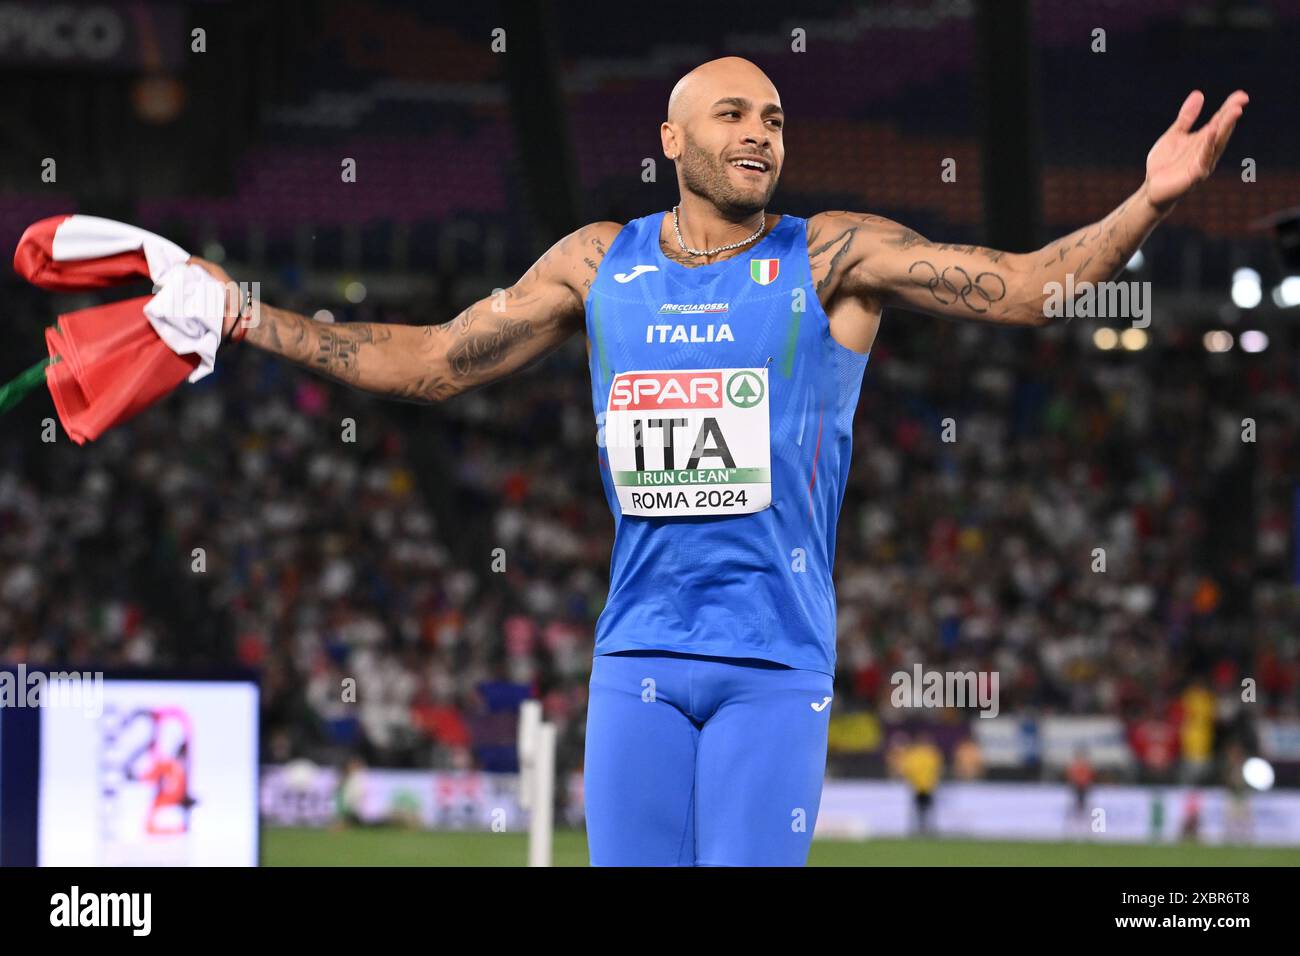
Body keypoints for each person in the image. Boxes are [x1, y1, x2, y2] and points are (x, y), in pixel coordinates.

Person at [190, 57, 1247, 866]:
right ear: (671, 139)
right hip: (635, 662)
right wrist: (241, 313)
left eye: (775, 120)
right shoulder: (597, 261)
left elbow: (1023, 288)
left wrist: (1149, 198)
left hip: (770, 667)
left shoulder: (829, 254)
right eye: (734, 115)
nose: (760, 134)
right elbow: (424, 360)